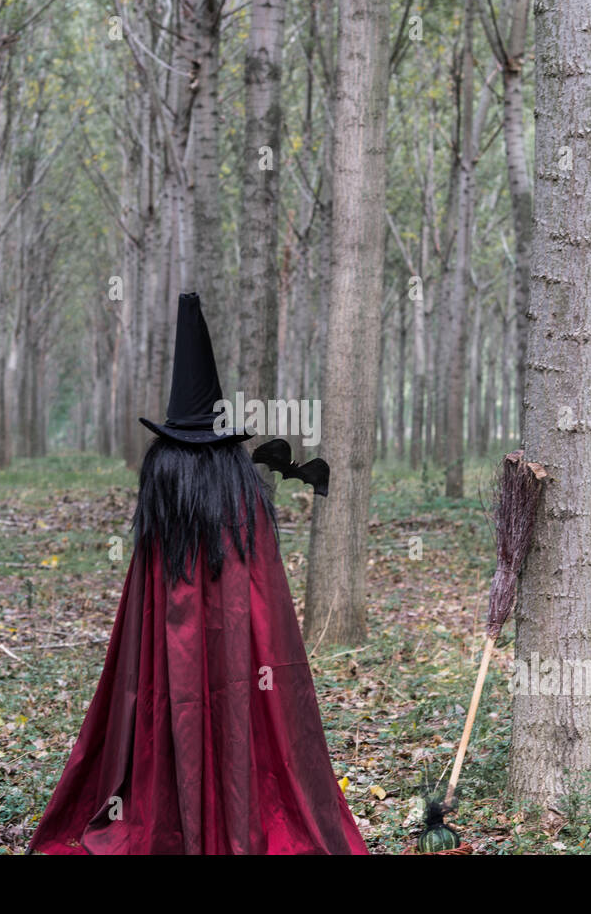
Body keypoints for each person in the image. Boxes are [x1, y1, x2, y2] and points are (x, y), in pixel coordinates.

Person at [27, 292, 367, 854]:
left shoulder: (164, 471)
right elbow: (262, 595)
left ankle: (169, 814)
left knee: (176, 701)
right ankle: (242, 812)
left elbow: (154, 584)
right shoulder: (238, 480)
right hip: (239, 645)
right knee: (242, 702)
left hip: (175, 646)